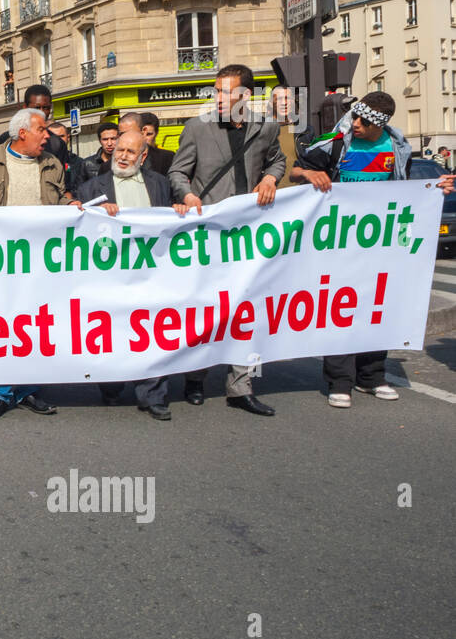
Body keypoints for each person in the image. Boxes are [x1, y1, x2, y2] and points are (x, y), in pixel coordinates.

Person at [292, 91, 454, 407]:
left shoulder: (397, 148)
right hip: (338, 242)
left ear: (380, 123)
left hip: (379, 243)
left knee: (377, 306)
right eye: (355, 117)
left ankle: (371, 376)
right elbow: (297, 170)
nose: (356, 124)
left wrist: (435, 189)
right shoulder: (336, 141)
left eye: (364, 121)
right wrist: (309, 173)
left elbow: (406, 190)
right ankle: (340, 381)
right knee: (340, 308)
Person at [169, 63, 286, 417]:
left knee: (245, 310)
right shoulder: (196, 128)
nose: (217, 98)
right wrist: (187, 195)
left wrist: (269, 179)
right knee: (205, 310)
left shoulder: (266, 127)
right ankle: (194, 378)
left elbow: (277, 161)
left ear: (245, 96)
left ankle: (240, 387)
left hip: (249, 236)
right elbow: (177, 170)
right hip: (208, 235)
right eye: (215, 91)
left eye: (224, 92)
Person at [74, 128, 187, 420]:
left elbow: (169, 223)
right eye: (119, 149)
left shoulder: (160, 185)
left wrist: (177, 211)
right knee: (112, 332)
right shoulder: (92, 188)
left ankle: (153, 394)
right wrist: (96, 211)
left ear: (143, 155)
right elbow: (80, 226)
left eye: (130, 151)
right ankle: (111, 385)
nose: (122, 156)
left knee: (151, 333)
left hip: (150, 275)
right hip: (109, 277)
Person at [0, 108, 65, 419]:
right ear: (22, 133)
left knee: (33, 325)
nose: (46, 136)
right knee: (1, 325)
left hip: (40, 261)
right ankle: (0, 392)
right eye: (41, 130)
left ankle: (28, 388)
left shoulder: (52, 164)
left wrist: (70, 204)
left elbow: (59, 202)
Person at [137, 112, 176, 176]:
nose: (144, 138)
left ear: (156, 133)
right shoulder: (128, 156)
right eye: (141, 134)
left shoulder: (168, 157)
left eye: (149, 134)